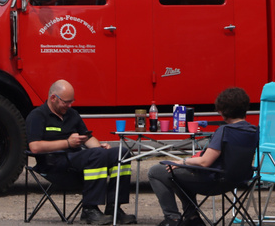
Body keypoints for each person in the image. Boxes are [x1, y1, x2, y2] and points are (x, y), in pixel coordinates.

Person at [148, 90, 263, 226]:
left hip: (214, 181)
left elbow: (205, 161)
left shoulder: (225, 130)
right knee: (176, 173)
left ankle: (172, 219)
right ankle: (193, 218)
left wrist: (182, 161)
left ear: (224, 110)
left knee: (156, 171)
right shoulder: (253, 130)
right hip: (237, 180)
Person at [30, 80, 130, 223]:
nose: (70, 106)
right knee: (96, 155)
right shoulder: (37, 116)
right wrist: (67, 143)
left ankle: (114, 208)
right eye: (66, 102)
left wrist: (100, 148)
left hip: (75, 158)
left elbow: (87, 137)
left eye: (72, 101)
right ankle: (90, 210)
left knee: (121, 153)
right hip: (54, 162)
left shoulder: (72, 114)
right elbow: (34, 147)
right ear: (53, 98)